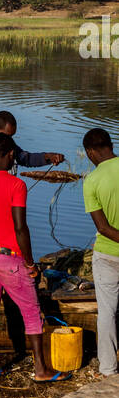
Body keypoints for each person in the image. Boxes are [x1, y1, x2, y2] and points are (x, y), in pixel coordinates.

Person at [0, 133, 67, 383]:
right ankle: (41, 370)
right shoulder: (16, 185)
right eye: (14, 155)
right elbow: (21, 228)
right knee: (31, 311)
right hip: (8, 258)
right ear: (10, 155)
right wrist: (30, 264)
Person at [82, 127, 119, 378]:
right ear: (111, 145)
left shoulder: (92, 181)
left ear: (91, 152)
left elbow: (103, 227)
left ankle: (108, 369)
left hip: (108, 255)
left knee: (107, 312)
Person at [0, 110, 64, 186]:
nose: (9, 139)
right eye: (6, 135)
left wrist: (50, 157)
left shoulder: (10, 147)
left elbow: (27, 159)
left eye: (11, 136)